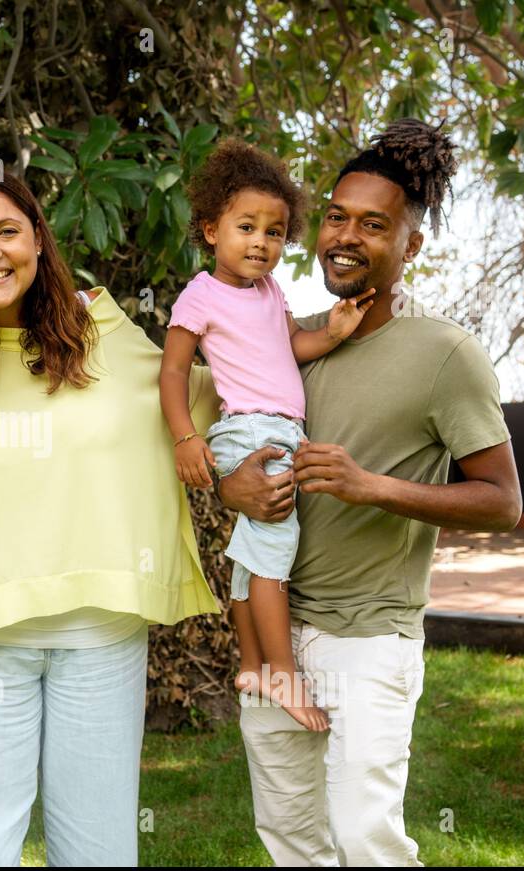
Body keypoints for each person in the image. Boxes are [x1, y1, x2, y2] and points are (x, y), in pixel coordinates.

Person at [218, 119, 523, 866]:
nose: (345, 236)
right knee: (291, 839)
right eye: (335, 216)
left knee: (364, 840)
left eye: (373, 224)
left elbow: (503, 501)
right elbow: (227, 451)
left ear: (410, 246)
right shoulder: (287, 340)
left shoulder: (445, 352)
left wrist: (372, 486)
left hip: (369, 639)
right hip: (274, 629)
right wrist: (234, 488)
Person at [0, 165, 220, 866]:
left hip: (100, 632)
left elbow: (218, 394)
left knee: (99, 848)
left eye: (7, 231)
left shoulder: (108, 333)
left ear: (39, 241)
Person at [160, 139, 375, 732]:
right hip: (254, 433)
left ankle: (253, 663)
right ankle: (284, 673)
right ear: (211, 229)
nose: (261, 242)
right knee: (275, 560)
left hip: (279, 429)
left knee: (251, 560)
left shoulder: (271, 292)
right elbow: (174, 369)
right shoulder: (201, 294)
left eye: (275, 233)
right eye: (247, 227)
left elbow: (290, 348)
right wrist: (185, 438)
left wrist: (333, 333)